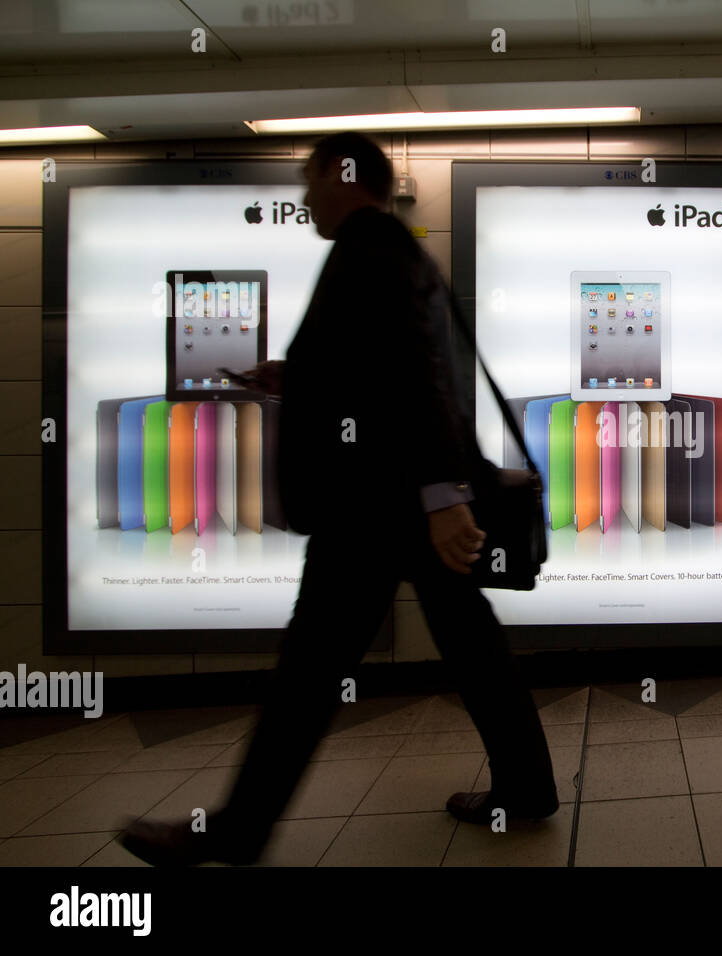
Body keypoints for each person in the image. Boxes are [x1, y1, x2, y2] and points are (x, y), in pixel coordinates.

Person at [119, 132, 558, 866]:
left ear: (339, 172)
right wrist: (300, 376)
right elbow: (381, 368)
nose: (302, 194)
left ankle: (239, 828)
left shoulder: (369, 246)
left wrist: (444, 495)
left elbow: (418, 374)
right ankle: (526, 786)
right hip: (397, 501)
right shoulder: (389, 247)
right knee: (471, 647)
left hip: (375, 507)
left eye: (307, 178)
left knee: (310, 668)